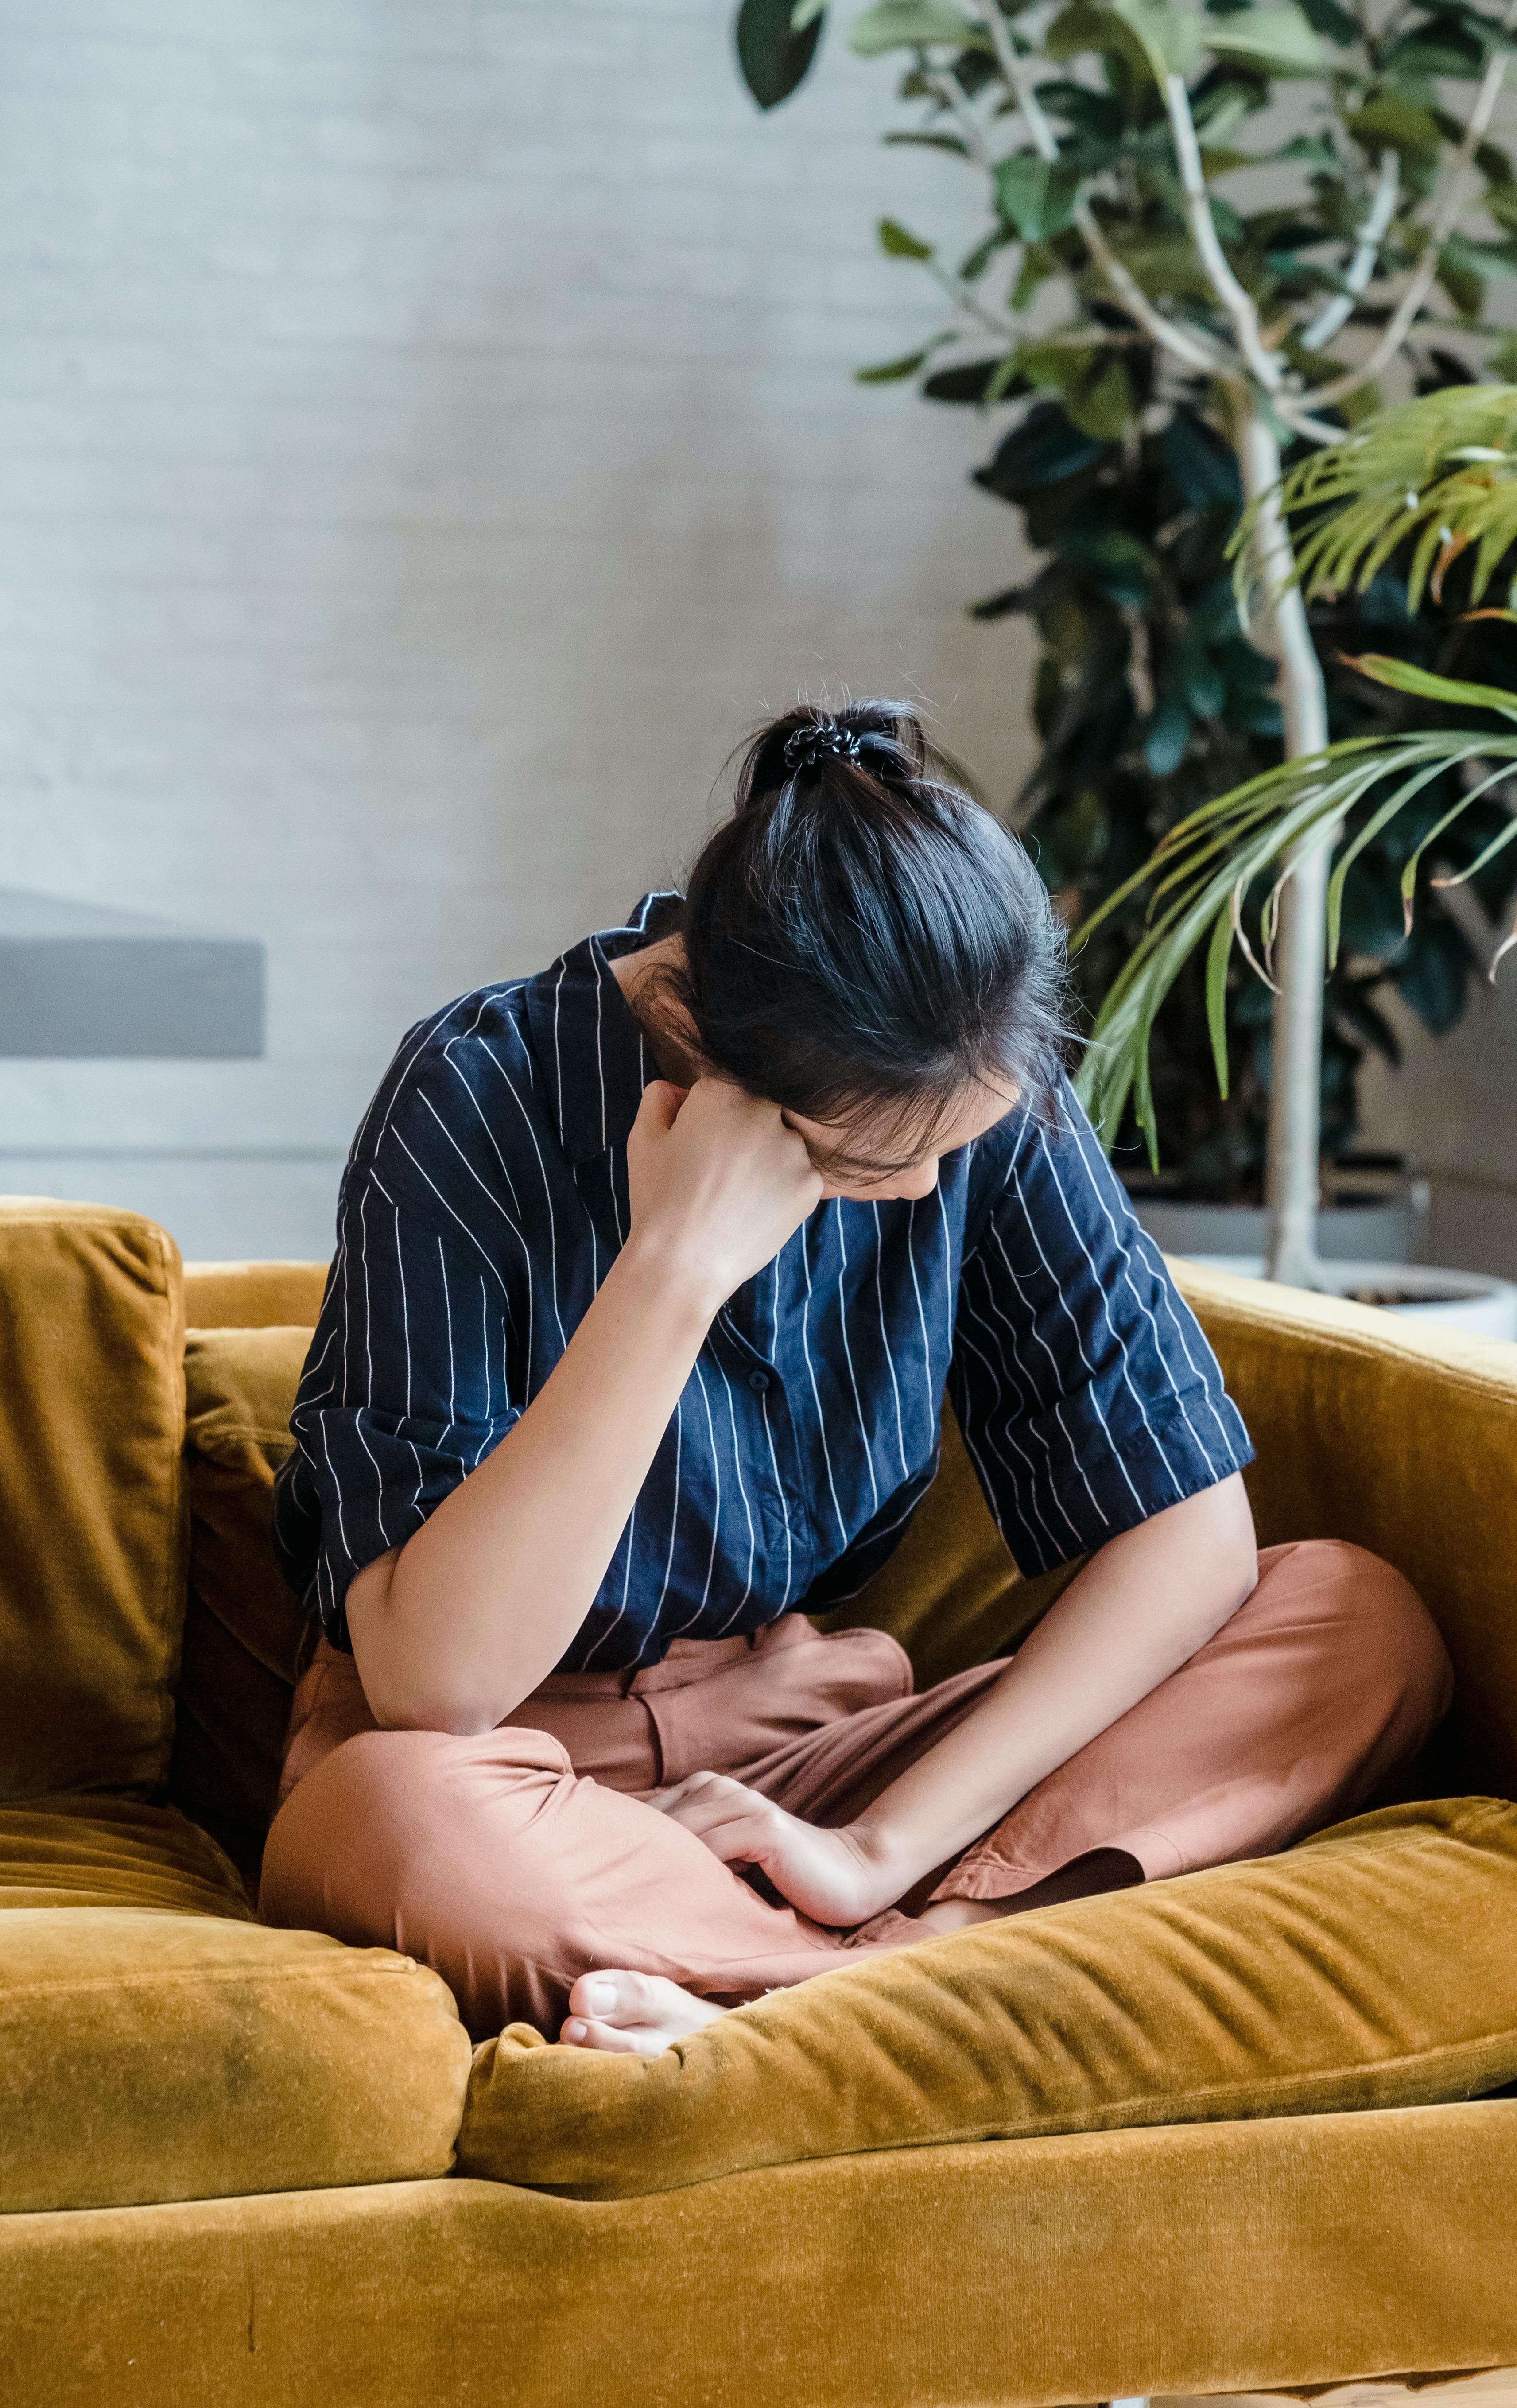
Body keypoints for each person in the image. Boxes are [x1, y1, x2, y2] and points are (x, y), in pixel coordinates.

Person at [261, 701, 1450, 2055]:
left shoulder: (961, 1075)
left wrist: (878, 1852)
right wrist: (672, 1270)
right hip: (503, 1778)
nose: (928, 1189)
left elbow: (1193, 1542)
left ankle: (849, 1975)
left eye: (959, 1143)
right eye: (866, 1164)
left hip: (807, 1768)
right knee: (409, 1836)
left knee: (1354, 1621)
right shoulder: (477, 1093)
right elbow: (440, 1685)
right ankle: (917, 1986)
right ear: (694, 1036)